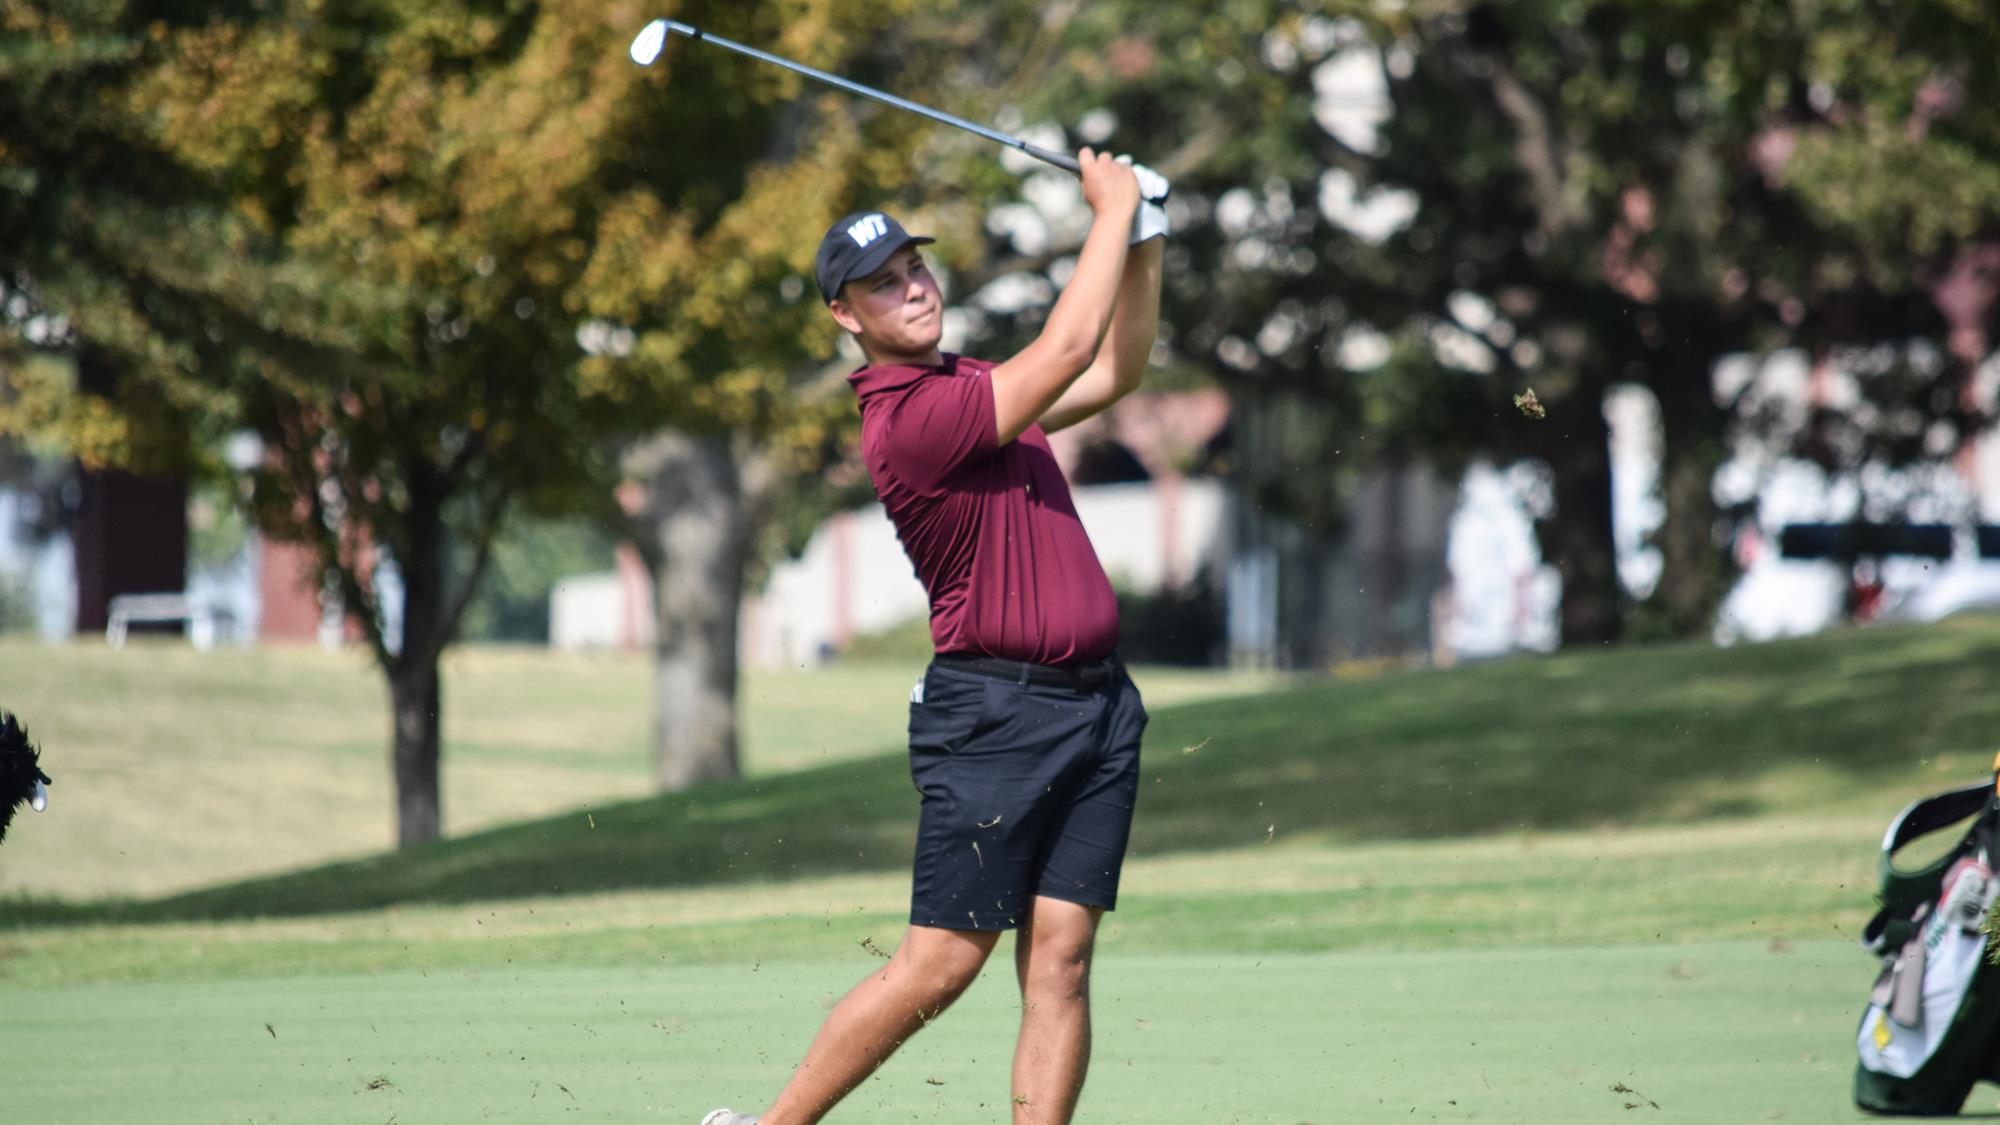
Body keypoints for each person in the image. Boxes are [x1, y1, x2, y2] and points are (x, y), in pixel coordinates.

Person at [702, 149, 1169, 1125]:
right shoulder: (912, 417)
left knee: (1062, 959)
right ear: (845, 316)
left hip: (1096, 707)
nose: (913, 288)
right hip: (997, 714)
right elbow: (1069, 348)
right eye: (883, 284)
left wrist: (1145, 238)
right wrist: (1110, 209)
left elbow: (1115, 368)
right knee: (941, 963)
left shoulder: (977, 385)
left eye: (915, 268)